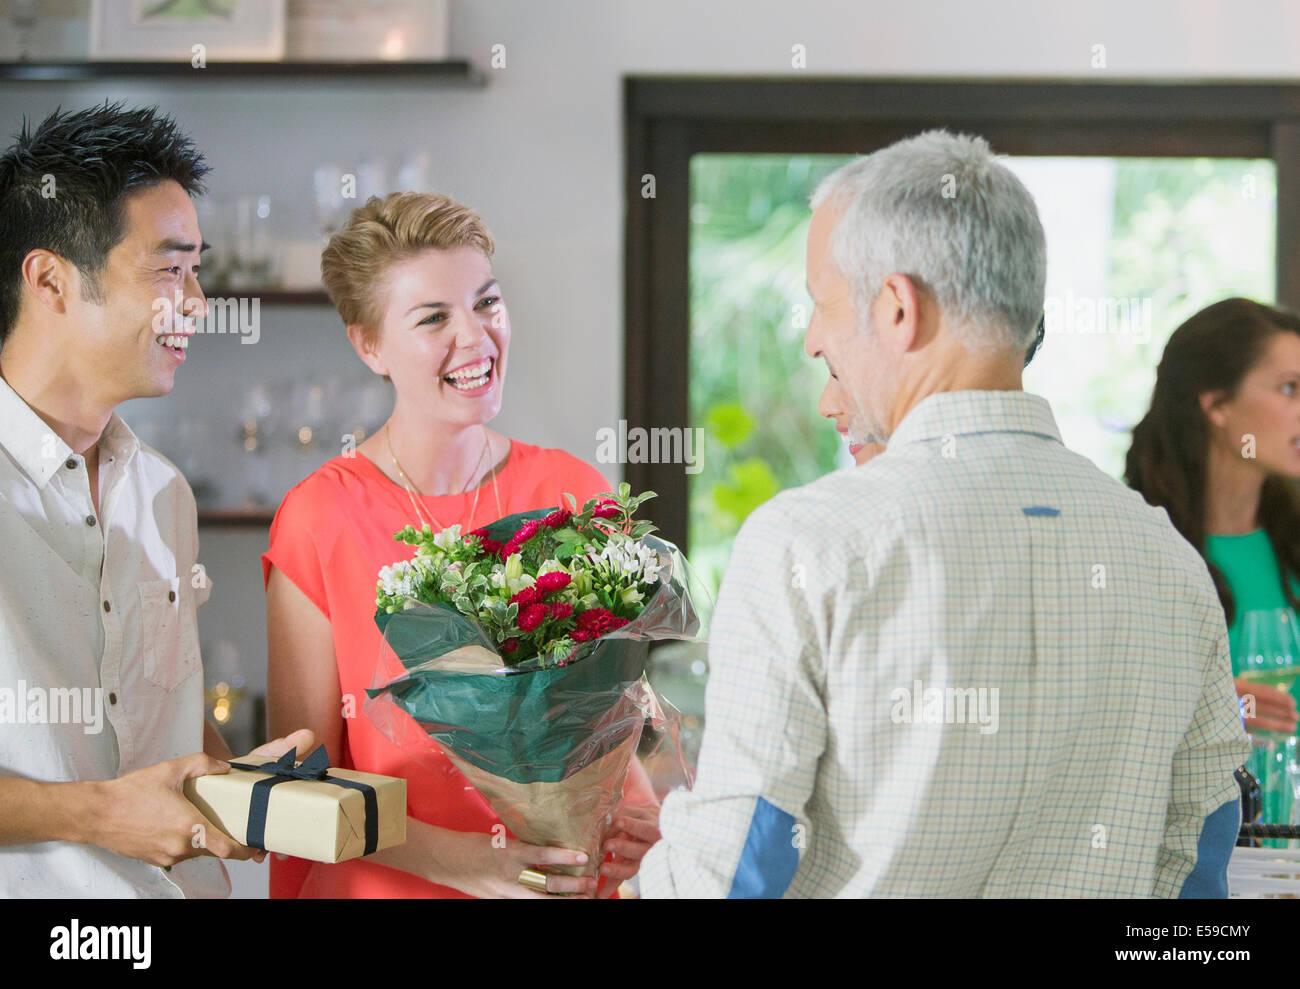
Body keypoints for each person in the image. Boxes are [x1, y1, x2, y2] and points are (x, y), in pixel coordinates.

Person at [639, 129, 1250, 897]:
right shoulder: (1170, 562)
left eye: (820, 304)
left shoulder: (807, 543)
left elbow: (731, 867)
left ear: (898, 307)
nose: (812, 337)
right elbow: (1199, 854)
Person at [264, 191, 659, 899]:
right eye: (434, 318)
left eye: (487, 303)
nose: (476, 337)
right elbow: (299, 783)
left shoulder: (573, 491)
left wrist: (640, 812)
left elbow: (619, 715)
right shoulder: (319, 518)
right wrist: (470, 861)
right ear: (369, 344)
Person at [0, 102, 312, 897]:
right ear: (50, 280)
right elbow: (111, 801)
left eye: (198, 269)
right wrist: (99, 815)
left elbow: (152, 719)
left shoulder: (162, 490)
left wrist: (232, 782)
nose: (199, 301)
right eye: (170, 270)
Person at [1126, 298, 1300, 736]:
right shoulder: (1135, 548)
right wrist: (1209, 706)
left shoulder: (1292, 541)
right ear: (1217, 405)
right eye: (1289, 388)